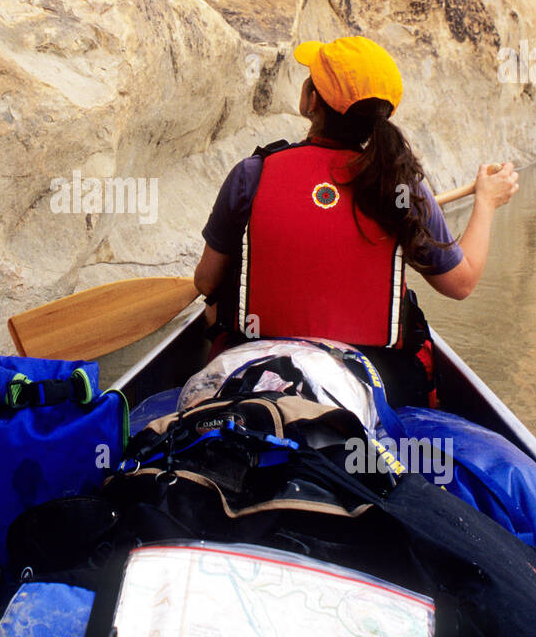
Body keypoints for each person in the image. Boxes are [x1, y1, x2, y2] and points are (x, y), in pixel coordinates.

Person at [194, 36, 519, 404]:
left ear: (311, 100)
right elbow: (461, 283)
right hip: (370, 377)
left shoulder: (251, 175)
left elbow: (206, 282)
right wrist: (487, 202)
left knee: (214, 308)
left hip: (259, 369)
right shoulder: (401, 188)